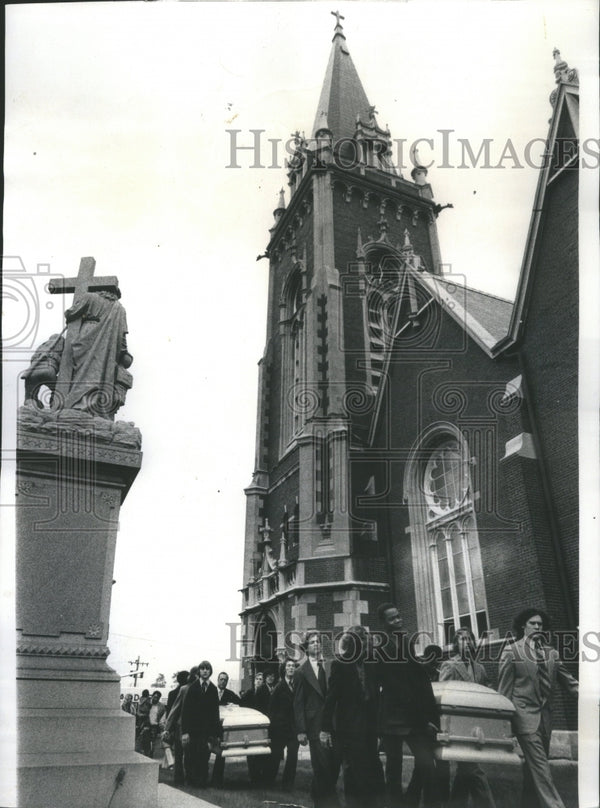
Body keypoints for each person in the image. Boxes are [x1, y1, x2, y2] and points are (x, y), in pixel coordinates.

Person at [498, 608, 578, 808]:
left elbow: (570, 682)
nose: (536, 627)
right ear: (523, 626)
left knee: (532, 768)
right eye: (532, 623)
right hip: (524, 717)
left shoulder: (551, 653)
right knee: (542, 768)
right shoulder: (511, 651)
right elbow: (504, 691)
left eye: (540, 624)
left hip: (545, 719)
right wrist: (503, 725)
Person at [375, 603, 440, 808]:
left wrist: (423, 666)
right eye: (392, 619)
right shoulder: (383, 648)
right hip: (393, 717)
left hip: (411, 716)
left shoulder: (405, 641)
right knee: (394, 769)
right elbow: (397, 685)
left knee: (426, 763)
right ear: (384, 623)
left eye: (399, 616)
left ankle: (410, 799)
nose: (398, 620)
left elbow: (413, 673)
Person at [321, 627, 385, 808]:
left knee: (372, 768)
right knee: (353, 771)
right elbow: (331, 698)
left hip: (370, 727)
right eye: (362, 641)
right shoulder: (340, 664)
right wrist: (325, 728)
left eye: (367, 642)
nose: (366, 645)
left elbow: (376, 696)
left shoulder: (372, 664)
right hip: (348, 728)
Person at [438, 628, 496, 808]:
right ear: (456, 644)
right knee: (473, 769)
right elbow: (442, 693)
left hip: (476, 724)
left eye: (470, 639)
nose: (467, 643)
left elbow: (486, 691)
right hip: (457, 724)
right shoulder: (449, 665)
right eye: (462, 640)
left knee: (465, 771)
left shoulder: (480, 667)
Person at [294, 631, 340, 808]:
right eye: (312, 642)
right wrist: (301, 730)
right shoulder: (301, 672)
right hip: (314, 726)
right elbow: (298, 703)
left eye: (318, 641)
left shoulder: (330, 666)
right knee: (323, 767)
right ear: (306, 647)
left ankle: (316, 794)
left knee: (334, 765)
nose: (316, 644)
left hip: (333, 724)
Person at [179, 661, 221, 788]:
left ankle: (202, 782)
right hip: (193, 730)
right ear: (199, 671)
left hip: (206, 731)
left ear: (210, 671)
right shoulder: (193, 688)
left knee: (204, 756)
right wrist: (185, 732)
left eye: (207, 669)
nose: (205, 671)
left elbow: (215, 713)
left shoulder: (213, 689)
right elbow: (185, 711)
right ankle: (191, 781)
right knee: (191, 756)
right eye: (202, 669)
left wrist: (215, 734)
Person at [266, 659, 299, 790]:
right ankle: (269, 781)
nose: (291, 668)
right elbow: (271, 709)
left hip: (294, 728)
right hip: (280, 728)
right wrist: (273, 727)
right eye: (288, 666)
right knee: (275, 755)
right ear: (284, 669)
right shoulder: (279, 687)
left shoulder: (298, 685)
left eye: (293, 666)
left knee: (292, 756)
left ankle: (288, 784)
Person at [164, 667, 198, 787]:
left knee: (186, 755)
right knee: (181, 755)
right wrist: (167, 729)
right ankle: (183, 779)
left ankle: (185, 779)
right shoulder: (184, 690)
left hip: (189, 727)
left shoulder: (199, 689)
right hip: (180, 726)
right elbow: (173, 711)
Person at [211, 672, 241, 787]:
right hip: (210, 727)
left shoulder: (230, 694)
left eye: (225, 680)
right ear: (218, 680)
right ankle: (202, 778)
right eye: (221, 679)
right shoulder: (211, 692)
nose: (223, 682)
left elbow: (240, 703)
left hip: (222, 728)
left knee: (220, 754)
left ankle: (217, 781)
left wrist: (233, 706)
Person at [241, 671, 271, 785]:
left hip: (261, 724)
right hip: (251, 724)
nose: (259, 681)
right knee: (250, 751)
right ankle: (253, 776)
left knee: (260, 750)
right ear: (254, 681)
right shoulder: (250, 693)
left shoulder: (265, 693)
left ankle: (260, 776)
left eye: (261, 680)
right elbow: (243, 705)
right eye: (257, 679)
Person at [143, 690, 167, 758]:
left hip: (155, 726)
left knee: (153, 742)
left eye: (157, 697)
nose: (155, 698)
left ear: (159, 698)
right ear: (152, 696)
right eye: (154, 697)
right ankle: (145, 754)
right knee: (146, 741)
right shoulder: (147, 704)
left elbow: (163, 717)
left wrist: (162, 726)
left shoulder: (161, 706)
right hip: (146, 725)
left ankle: (151, 755)